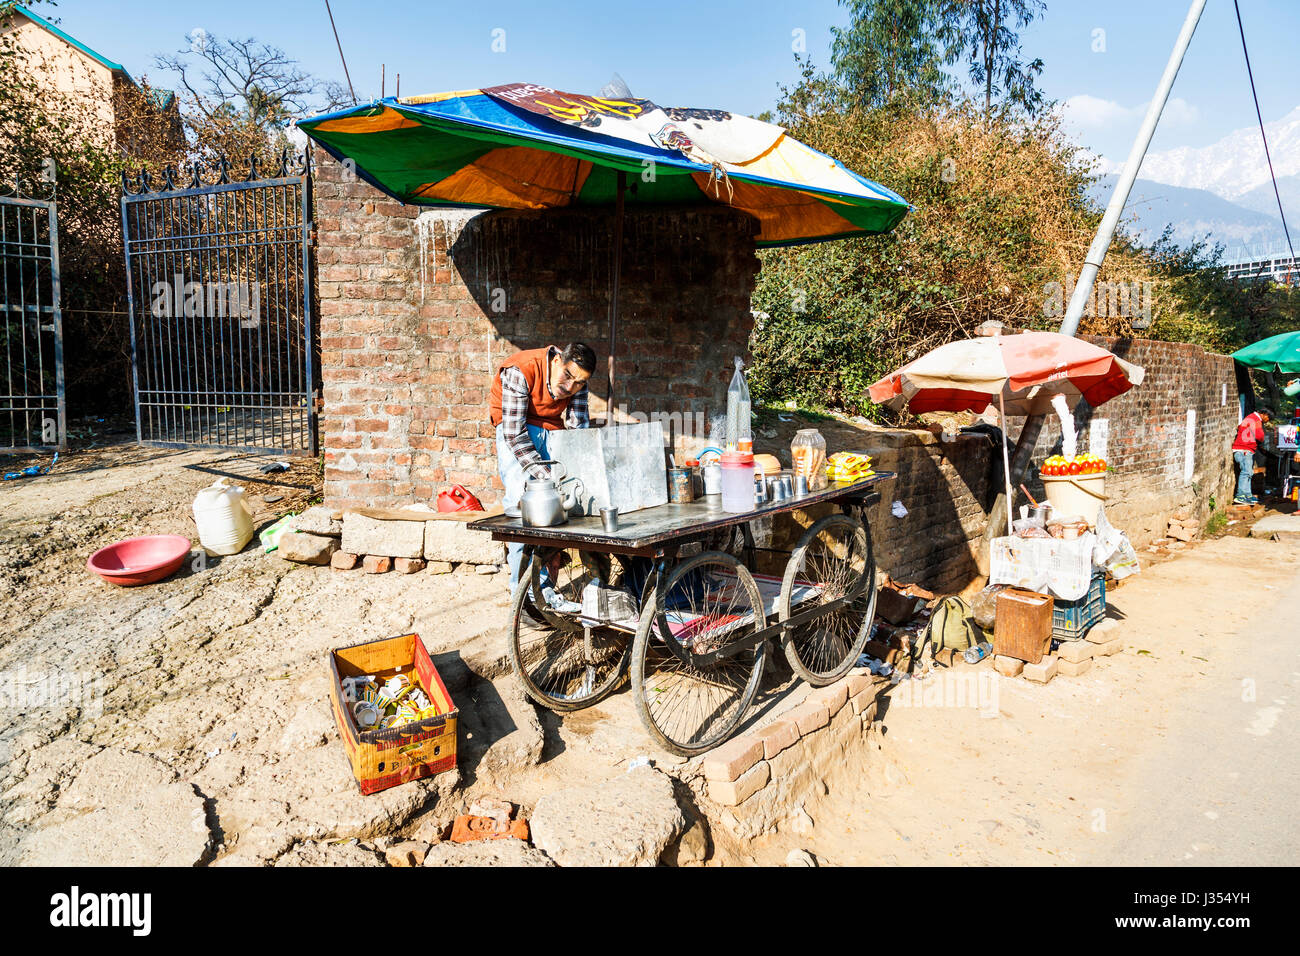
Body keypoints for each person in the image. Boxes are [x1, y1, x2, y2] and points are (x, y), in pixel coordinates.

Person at [488, 342, 596, 589]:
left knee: (558, 511)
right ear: (557, 360)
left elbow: (579, 428)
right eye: (567, 377)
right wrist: (548, 478)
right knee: (523, 509)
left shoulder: (578, 379)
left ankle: (545, 591)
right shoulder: (520, 370)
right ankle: (522, 594)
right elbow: (514, 433)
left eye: (578, 383)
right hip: (515, 430)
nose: (571, 387)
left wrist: (582, 466)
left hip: (551, 431)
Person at [1232, 406, 1272, 504]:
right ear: (1265, 414)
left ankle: (1247, 495)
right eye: (1268, 418)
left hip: (1243, 449)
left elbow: (1240, 427)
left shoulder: (1250, 417)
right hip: (1244, 449)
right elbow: (1260, 436)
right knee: (1246, 472)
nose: (1267, 421)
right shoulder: (1256, 420)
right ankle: (1240, 496)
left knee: (1248, 472)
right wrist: (1262, 440)